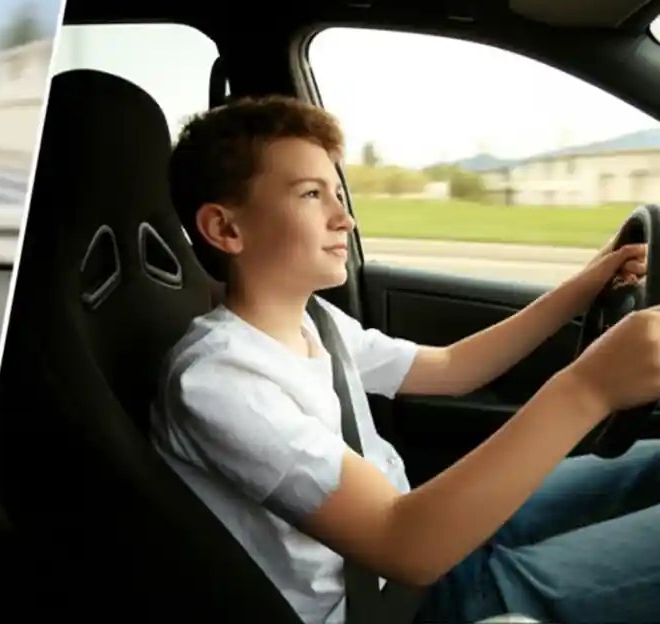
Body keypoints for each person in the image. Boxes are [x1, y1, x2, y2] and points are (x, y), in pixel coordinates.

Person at [151, 93, 660, 624]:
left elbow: (453, 368)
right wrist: (591, 387)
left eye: (337, 192)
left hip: (428, 536)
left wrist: (585, 285)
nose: (344, 218)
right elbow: (402, 543)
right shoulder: (219, 382)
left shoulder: (316, 321)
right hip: (398, 602)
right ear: (226, 229)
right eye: (311, 194)